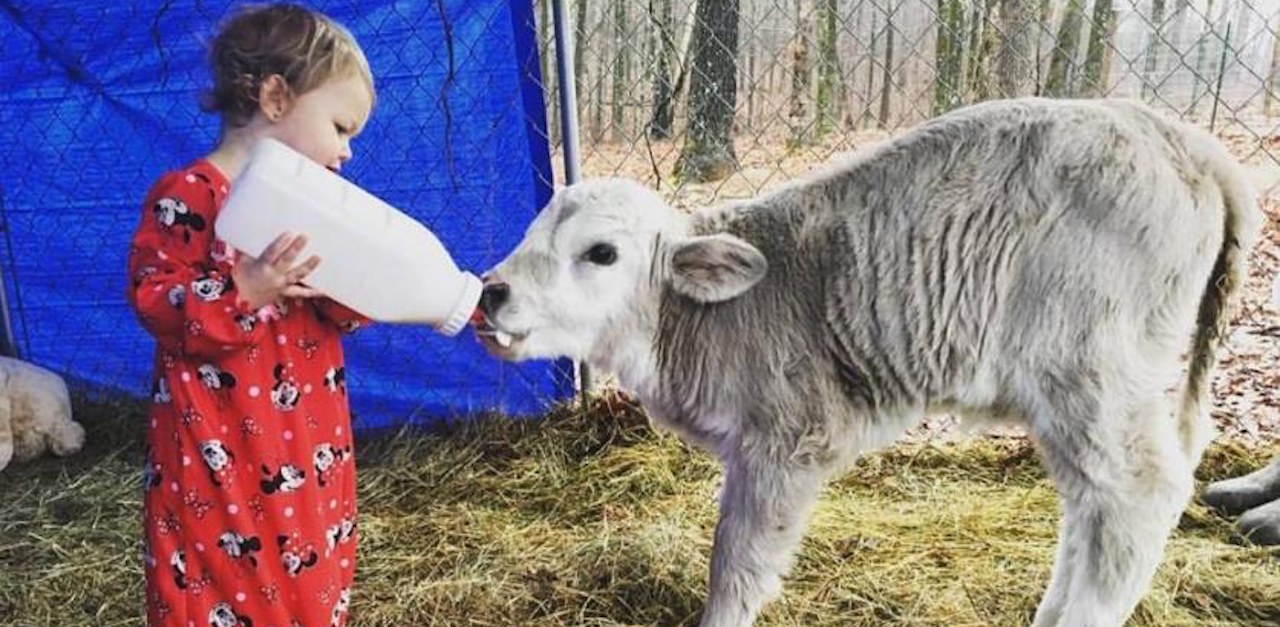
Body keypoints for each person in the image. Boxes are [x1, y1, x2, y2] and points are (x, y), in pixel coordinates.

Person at [127, 5, 374, 625]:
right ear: (275, 96)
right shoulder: (189, 196)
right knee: (217, 578)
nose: (346, 152)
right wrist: (244, 289)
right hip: (220, 450)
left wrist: (354, 280)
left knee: (310, 570)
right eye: (340, 127)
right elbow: (155, 300)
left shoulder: (319, 205)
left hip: (308, 443)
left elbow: (354, 307)